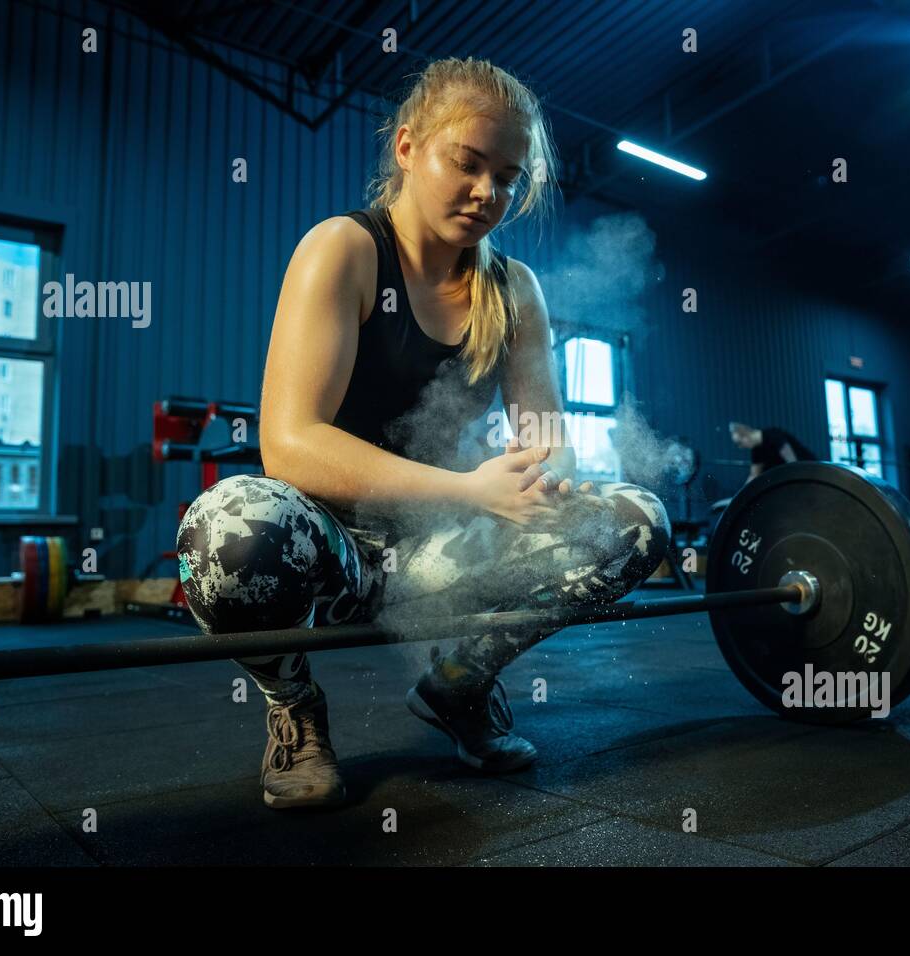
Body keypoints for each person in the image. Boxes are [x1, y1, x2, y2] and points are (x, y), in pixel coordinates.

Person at [175, 58, 671, 810]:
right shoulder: (342, 250)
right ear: (407, 147)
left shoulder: (514, 291)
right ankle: (296, 709)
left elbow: (544, 436)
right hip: (330, 556)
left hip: (437, 559)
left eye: (507, 178)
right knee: (226, 528)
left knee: (636, 522)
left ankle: (458, 686)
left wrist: (546, 475)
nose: (486, 194)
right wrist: (470, 488)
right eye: (466, 163)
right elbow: (291, 444)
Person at [728, 422, 817, 483]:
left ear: (746, 435)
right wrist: (741, 495)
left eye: (739, 443)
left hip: (808, 471)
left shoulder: (773, 435)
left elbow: (793, 463)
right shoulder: (756, 450)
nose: (740, 447)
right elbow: (754, 475)